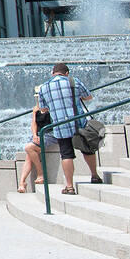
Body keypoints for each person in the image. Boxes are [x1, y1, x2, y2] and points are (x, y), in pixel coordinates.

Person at [37, 63, 101, 195]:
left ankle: (70, 187)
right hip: (78, 123)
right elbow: (89, 96)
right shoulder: (73, 81)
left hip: (60, 125)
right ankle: (94, 175)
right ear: (67, 73)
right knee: (88, 150)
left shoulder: (44, 87)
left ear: (52, 73)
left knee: (66, 154)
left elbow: (43, 109)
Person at [17, 97, 52, 194]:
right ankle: (22, 182)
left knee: (28, 148)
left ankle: (41, 174)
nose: (38, 98)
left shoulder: (52, 106)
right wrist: (35, 135)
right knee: (29, 155)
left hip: (49, 134)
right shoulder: (36, 109)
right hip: (38, 135)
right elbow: (34, 124)